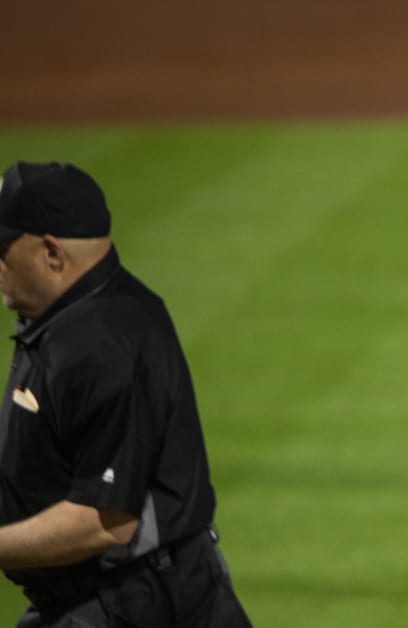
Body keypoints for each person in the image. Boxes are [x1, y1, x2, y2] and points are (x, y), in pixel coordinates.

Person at [0, 161, 252, 627]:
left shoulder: (104, 344)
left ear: (52, 253)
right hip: (100, 597)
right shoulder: (63, 317)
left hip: (142, 604)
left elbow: (105, 521)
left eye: (1, 248)